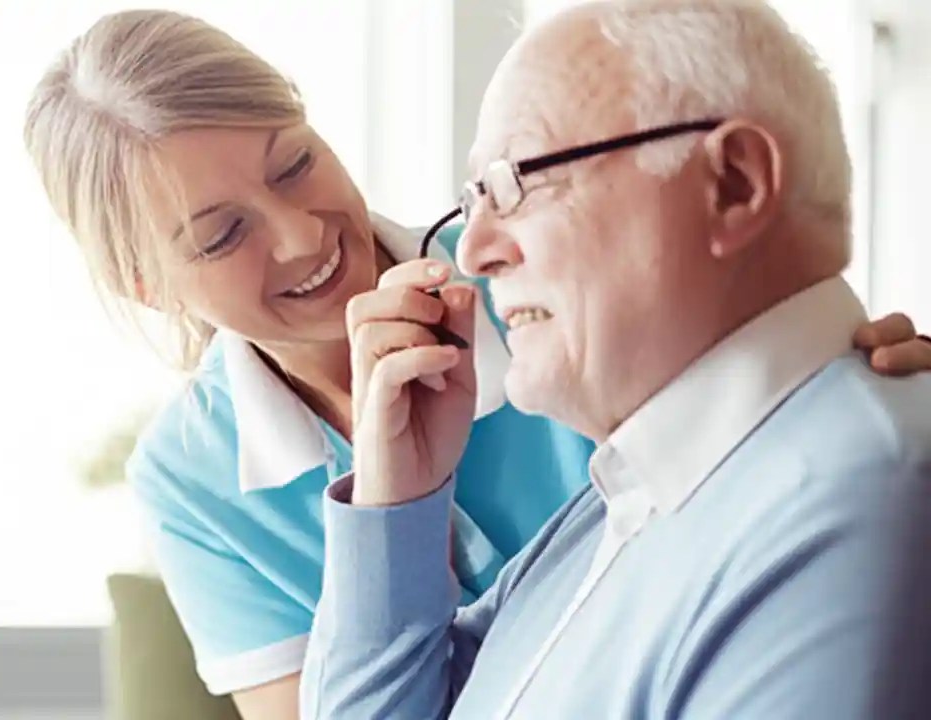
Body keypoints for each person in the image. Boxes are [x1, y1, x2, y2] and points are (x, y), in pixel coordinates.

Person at [21, 8, 931, 717]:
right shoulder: (194, 475)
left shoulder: (556, 290)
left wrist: (824, 367)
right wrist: (391, 508)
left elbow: (765, 367)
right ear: (149, 285)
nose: (303, 236)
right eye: (222, 236)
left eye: (295, 164)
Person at [302, 1, 931, 718]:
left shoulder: (857, 510)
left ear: (735, 184)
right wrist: (396, 502)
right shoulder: (620, 502)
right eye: (473, 200)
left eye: (517, 183)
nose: (475, 251)